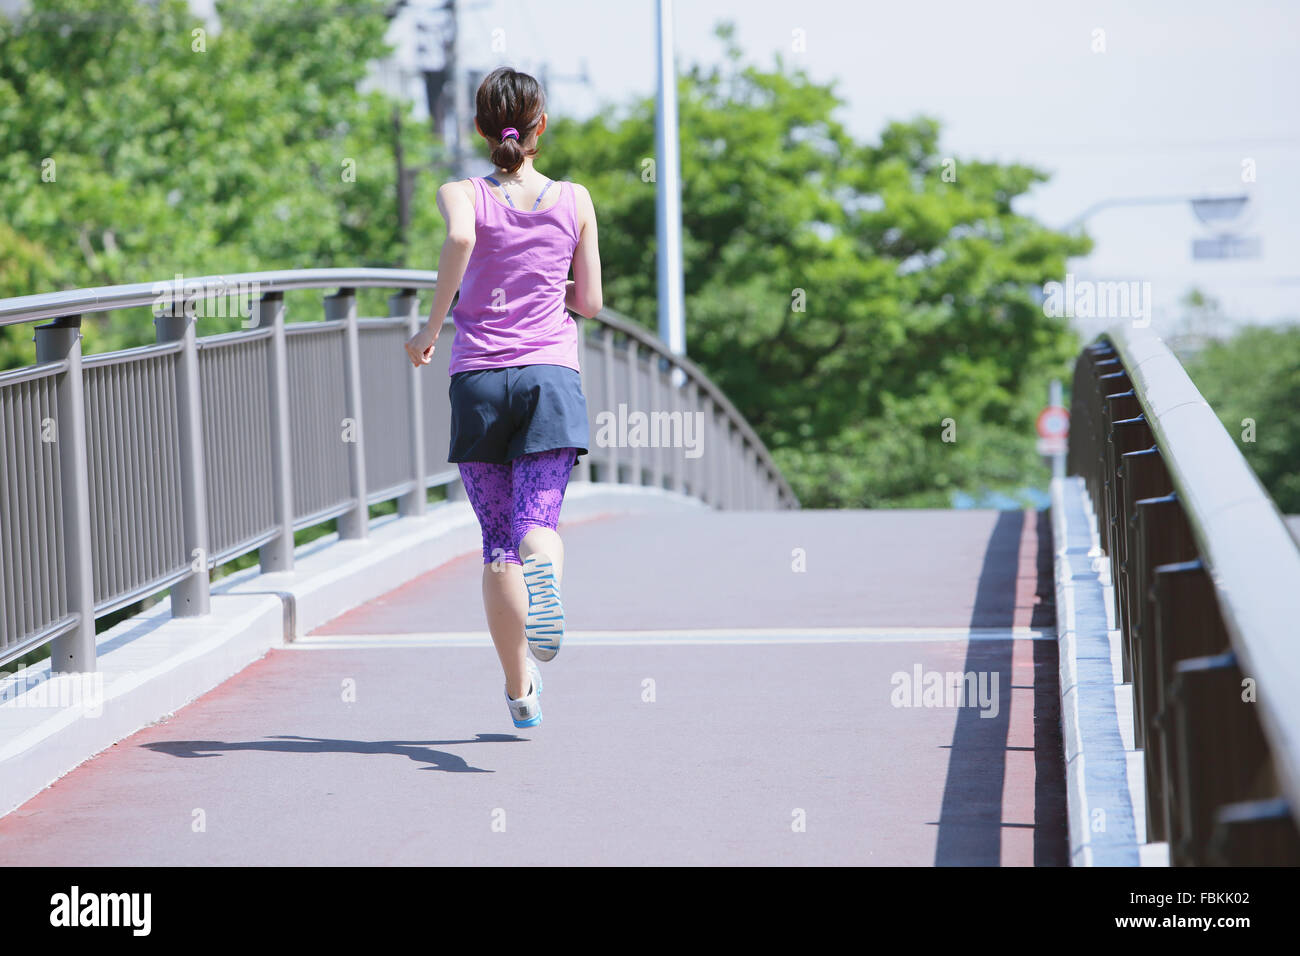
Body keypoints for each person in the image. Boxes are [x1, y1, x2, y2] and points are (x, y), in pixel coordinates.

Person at [404, 67, 603, 730]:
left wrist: (431, 329)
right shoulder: (574, 199)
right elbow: (592, 304)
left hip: (481, 380)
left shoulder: (462, 192)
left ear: (481, 129)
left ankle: (520, 691)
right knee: (536, 524)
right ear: (540, 126)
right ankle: (545, 570)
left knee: (496, 544)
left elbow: (461, 237)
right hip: (549, 376)